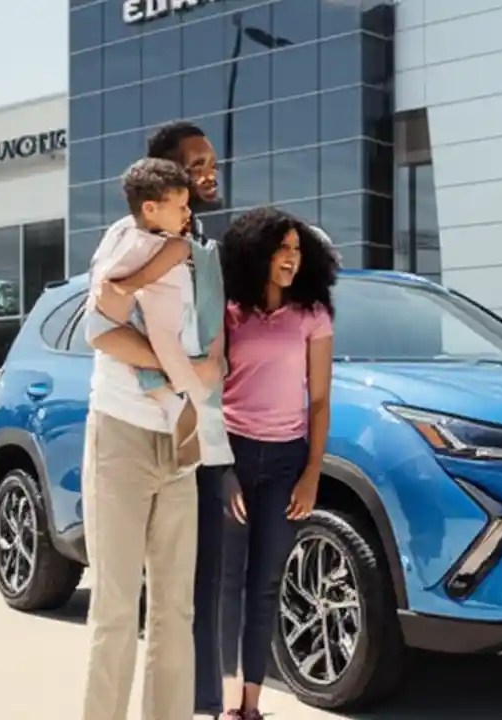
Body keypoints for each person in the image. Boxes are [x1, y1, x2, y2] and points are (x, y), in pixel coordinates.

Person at [89, 120, 234, 719]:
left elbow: (213, 345)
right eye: (195, 165)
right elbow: (102, 329)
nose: (208, 173)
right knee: (117, 609)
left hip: (182, 441)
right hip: (123, 435)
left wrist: (206, 370)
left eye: (211, 163)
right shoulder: (126, 237)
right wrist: (180, 371)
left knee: (176, 609)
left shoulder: (203, 251)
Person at [216, 207, 338, 720]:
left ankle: (251, 706)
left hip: (287, 462)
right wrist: (222, 472)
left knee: (265, 584)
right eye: (281, 249)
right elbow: (206, 394)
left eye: (297, 250)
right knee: (227, 583)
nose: (291, 258)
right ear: (256, 253)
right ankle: (226, 704)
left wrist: (312, 473)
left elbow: (319, 401)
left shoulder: (312, 314)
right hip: (232, 453)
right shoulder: (228, 312)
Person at [89, 157, 210, 470]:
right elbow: (110, 289)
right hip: (151, 321)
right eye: (181, 206)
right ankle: (190, 404)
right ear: (150, 208)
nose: (187, 212)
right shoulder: (136, 242)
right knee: (166, 353)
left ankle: (181, 410)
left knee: (157, 360)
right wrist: (124, 287)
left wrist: (126, 288)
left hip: (153, 318)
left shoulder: (162, 242)